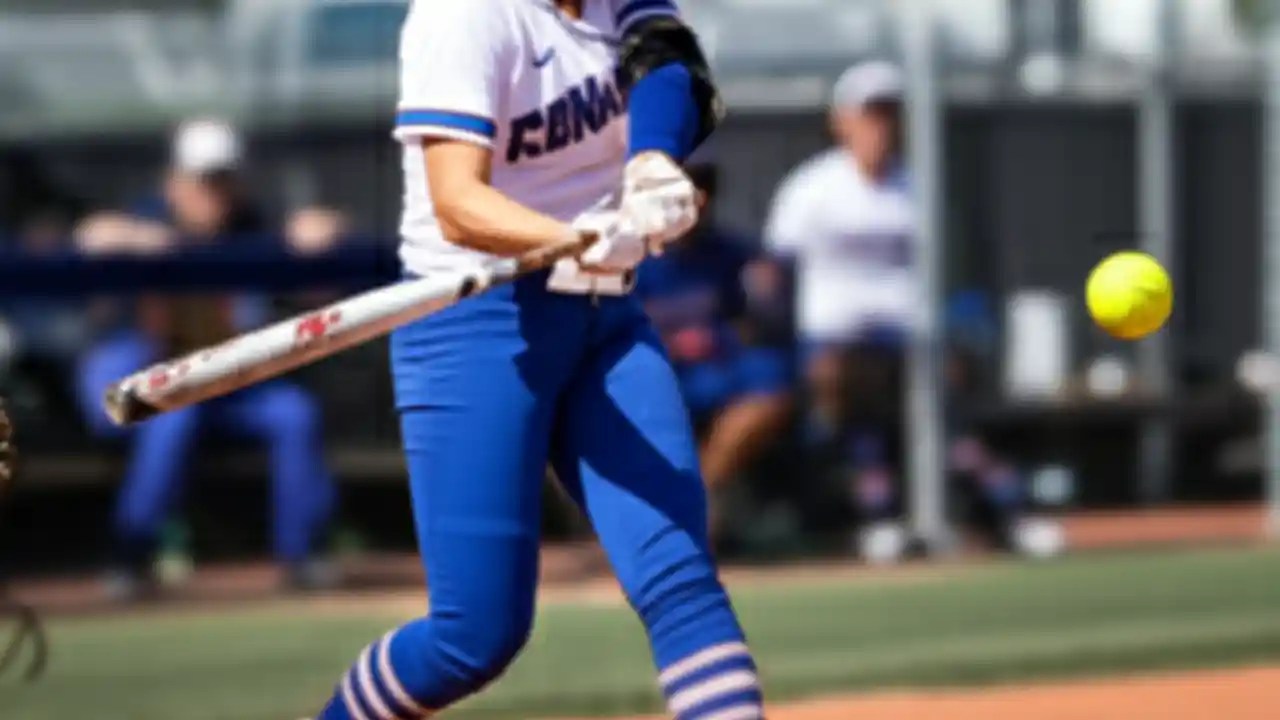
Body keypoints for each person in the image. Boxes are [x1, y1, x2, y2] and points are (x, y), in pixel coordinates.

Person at [313, 1, 765, 718]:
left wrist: (651, 159)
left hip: (605, 319)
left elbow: (667, 59)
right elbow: (458, 202)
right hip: (474, 325)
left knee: (680, 575)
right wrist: (576, 239)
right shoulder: (465, 16)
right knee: (474, 637)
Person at [765, 61, 1030, 562]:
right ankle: (879, 516)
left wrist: (953, 338)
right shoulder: (811, 188)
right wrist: (791, 347)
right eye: (870, 113)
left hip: (910, 338)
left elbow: (944, 276)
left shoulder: (917, 188)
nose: (880, 126)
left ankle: (1008, 513)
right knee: (854, 399)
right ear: (842, 121)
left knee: (945, 420)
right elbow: (776, 274)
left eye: (889, 114)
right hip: (837, 338)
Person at [75, 119, 336, 597]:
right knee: (171, 418)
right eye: (202, 181)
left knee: (294, 413)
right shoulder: (150, 217)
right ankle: (129, 557)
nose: (213, 194)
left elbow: (312, 271)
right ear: (174, 182)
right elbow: (92, 234)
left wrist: (317, 237)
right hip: (144, 375)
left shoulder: (251, 227)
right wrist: (148, 242)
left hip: (222, 383)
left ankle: (303, 556)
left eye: (223, 180)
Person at [635, 163, 791, 543]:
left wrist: (744, 318)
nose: (696, 200)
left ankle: (696, 498)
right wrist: (671, 344)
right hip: (653, 373)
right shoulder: (630, 254)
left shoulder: (733, 254)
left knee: (770, 388)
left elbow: (754, 323)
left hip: (717, 369)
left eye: (702, 189)